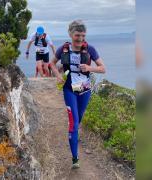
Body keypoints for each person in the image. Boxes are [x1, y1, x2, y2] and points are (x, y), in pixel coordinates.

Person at [50, 20, 106, 169]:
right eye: (77, 35)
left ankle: (74, 136)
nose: (80, 39)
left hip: (85, 91)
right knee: (73, 124)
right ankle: (75, 158)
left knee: (78, 120)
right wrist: (57, 75)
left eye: (83, 35)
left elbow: (103, 68)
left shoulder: (90, 49)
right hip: (69, 91)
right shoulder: (63, 49)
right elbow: (52, 64)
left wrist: (89, 67)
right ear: (70, 34)